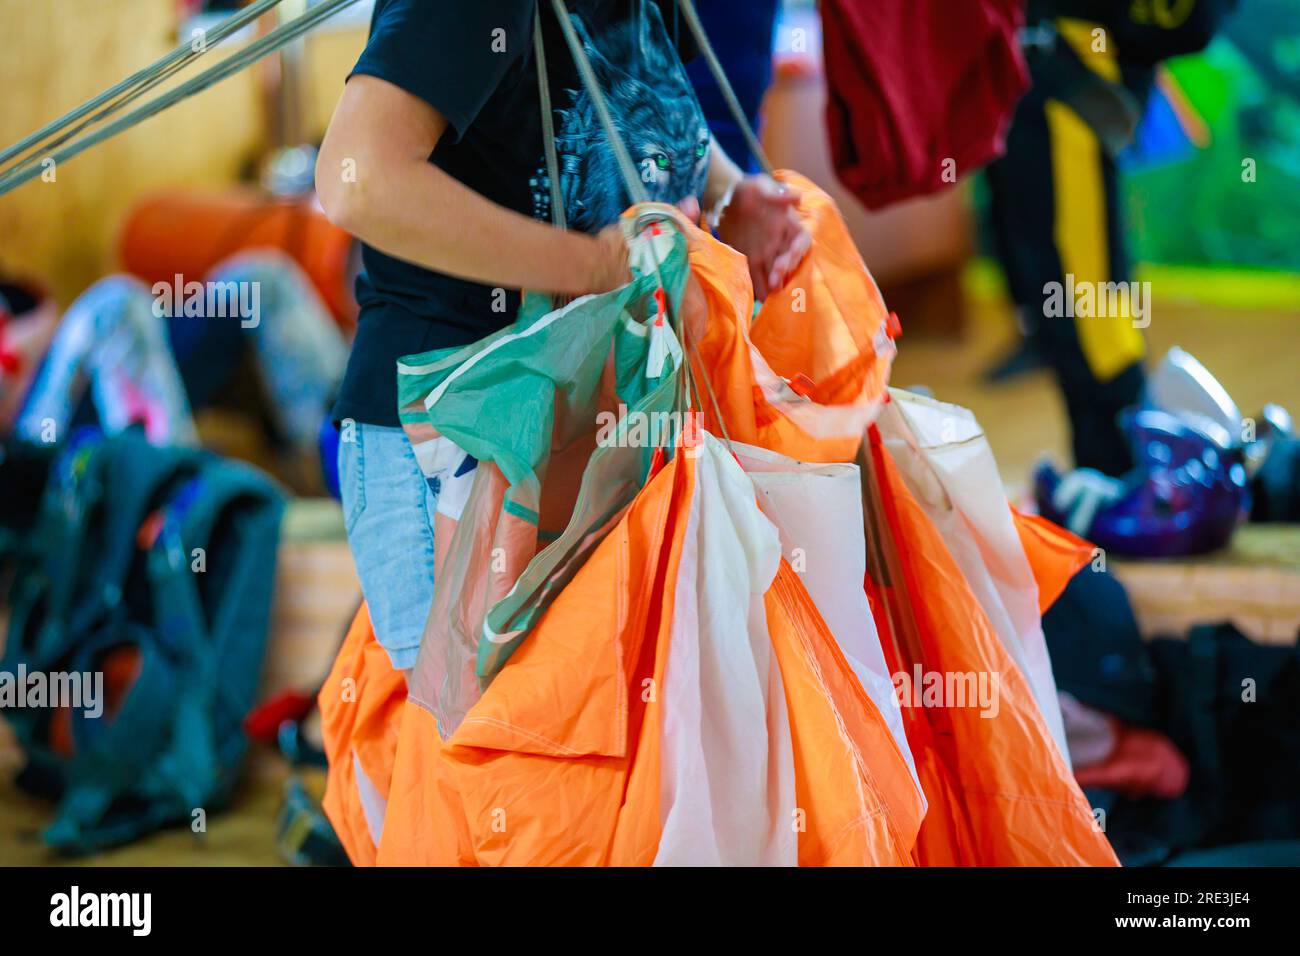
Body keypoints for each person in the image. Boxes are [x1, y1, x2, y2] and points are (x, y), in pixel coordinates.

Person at [315, 0, 809, 674]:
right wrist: (596, 266)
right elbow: (359, 181)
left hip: (596, 424)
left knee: (616, 739)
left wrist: (726, 192)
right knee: (507, 758)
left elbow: (638, 88)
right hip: (466, 431)